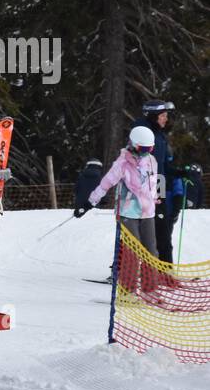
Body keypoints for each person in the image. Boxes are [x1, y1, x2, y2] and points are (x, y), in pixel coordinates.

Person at [77, 126, 160, 289]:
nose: (146, 152)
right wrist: (89, 203)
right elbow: (105, 184)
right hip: (128, 212)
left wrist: (158, 198)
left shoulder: (152, 160)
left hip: (148, 212)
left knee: (151, 251)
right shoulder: (122, 163)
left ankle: (150, 289)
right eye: (143, 149)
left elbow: (156, 180)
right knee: (133, 253)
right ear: (134, 145)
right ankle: (128, 291)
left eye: (149, 148)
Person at [135, 100, 183, 263]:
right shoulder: (142, 135)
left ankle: (166, 271)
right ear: (153, 116)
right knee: (137, 231)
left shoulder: (160, 136)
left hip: (159, 184)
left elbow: (163, 166)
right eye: (162, 116)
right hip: (143, 187)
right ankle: (121, 270)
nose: (165, 119)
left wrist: (181, 173)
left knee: (162, 230)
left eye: (166, 116)